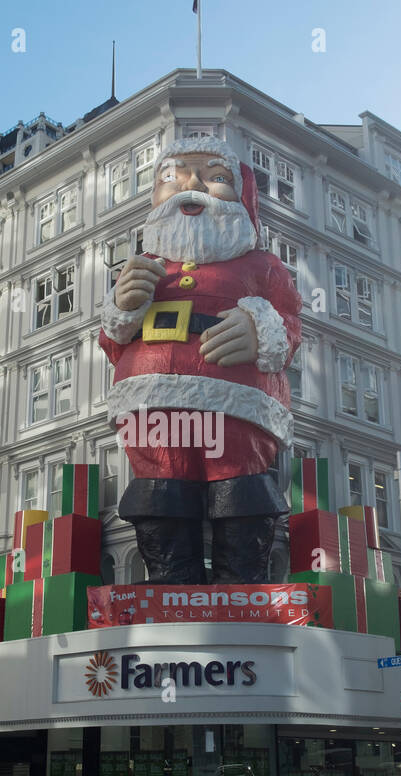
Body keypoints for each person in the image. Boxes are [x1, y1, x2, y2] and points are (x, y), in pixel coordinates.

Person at [100, 136, 302, 585]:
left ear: (242, 196)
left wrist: (260, 327)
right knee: (160, 495)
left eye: (215, 176)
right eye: (171, 177)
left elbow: (289, 323)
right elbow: (112, 341)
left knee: (241, 494)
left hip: (238, 413)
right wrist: (122, 307)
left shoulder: (262, 266)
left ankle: (242, 588)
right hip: (152, 414)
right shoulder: (141, 268)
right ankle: (172, 587)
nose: (191, 185)